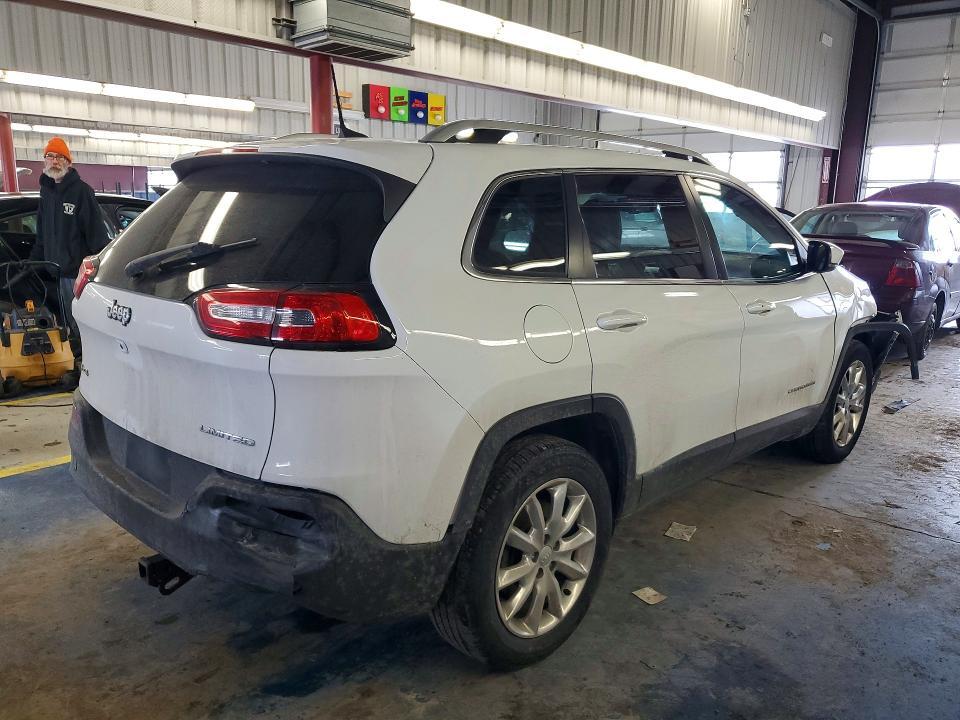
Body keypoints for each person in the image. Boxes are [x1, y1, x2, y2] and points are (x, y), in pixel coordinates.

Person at [31, 137, 109, 355]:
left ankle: (88, 360)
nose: (54, 161)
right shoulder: (46, 192)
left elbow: (96, 234)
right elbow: (42, 232)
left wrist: (100, 269)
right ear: (44, 160)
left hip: (75, 274)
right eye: (50, 156)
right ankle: (76, 359)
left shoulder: (82, 191)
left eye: (59, 157)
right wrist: (32, 263)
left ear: (68, 162)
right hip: (53, 271)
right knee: (65, 321)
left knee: (80, 323)